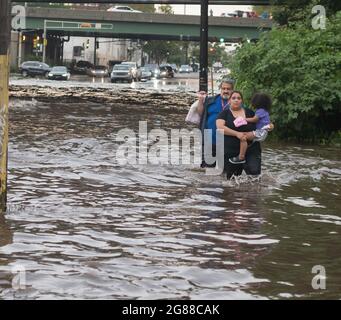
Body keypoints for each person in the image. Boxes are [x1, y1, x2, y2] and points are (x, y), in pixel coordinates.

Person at [216, 91, 262, 179]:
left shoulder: (250, 113)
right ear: (229, 101)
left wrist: (269, 126)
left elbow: (261, 124)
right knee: (231, 178)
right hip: (230, 150)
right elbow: (220, 128)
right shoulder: (224, 114)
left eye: (239, 98)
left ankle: (254, 193)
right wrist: (237, 134)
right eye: (233, 98)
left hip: (251, 149)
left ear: (242, 101)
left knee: (255, 175)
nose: (236, 100)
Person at [196, 79, 235, 167]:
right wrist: (200, 100)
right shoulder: (210, 100)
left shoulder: (236, 103)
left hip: (227, 143)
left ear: (232, 90)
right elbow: (200, 113)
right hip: (209, 140)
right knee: (207, 170)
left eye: (228, 89)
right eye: (223, 88)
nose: (225, 91)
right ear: (220, 89)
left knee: (225, 172)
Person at [229, 92, 273, 164]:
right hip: (262, 132)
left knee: (243, 137)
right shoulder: (265, 111)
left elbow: (254, 119)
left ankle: (241, 157)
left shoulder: (260, 111)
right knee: (244, 135)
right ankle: (246, 148)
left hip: (260, 132)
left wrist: (244, 119)